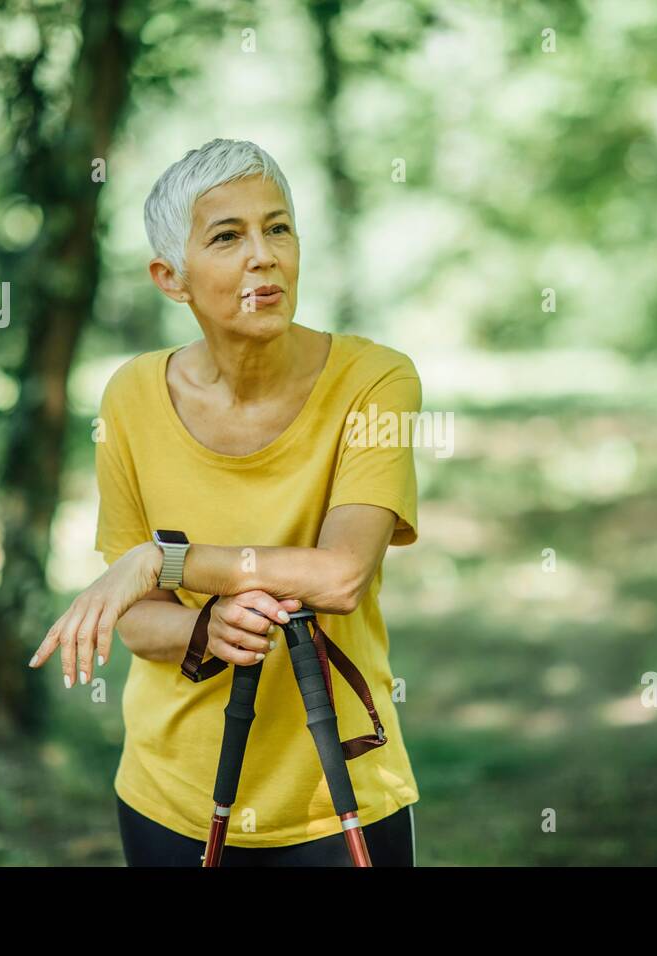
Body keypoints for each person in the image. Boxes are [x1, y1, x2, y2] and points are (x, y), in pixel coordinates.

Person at [29, 138, 421, 866]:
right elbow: (140, 622)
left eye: (278, 228)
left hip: (338, 798)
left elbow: (339, 576)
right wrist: (204, 626)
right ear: (170, 278)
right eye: (227, 236)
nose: (263, 255)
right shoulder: (131, 397)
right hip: (170, 794)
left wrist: (164, 563)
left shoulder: (377, 380)